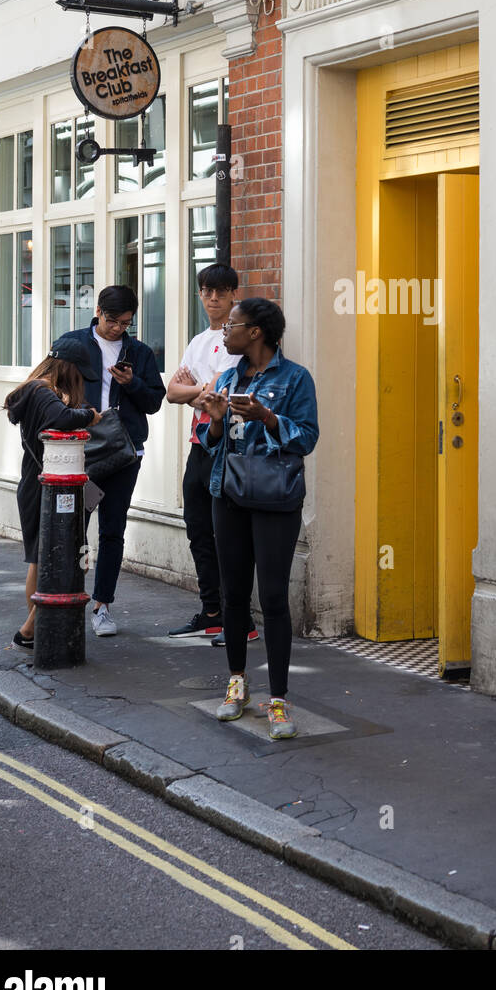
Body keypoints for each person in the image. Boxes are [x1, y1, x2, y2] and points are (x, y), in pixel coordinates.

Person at [196, 299, 318, 739]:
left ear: (256, 333)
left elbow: (306, 438)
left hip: (275, 500)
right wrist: (213, 421)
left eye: (232, 325)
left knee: (273, 598)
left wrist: (267, 417)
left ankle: (279, 699)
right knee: (232, 595)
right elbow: (211, 442)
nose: (223, 331)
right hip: (227, 496)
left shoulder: (295, 378)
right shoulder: (228, 378)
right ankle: (236, 682)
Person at [58, 285, 165, 637]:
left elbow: (153, 402)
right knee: (75, 525)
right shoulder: (73, 344)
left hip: (124, 452)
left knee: (113, 528)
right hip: (82, 452)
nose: (120, 328)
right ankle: (68, 597)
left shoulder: (139, 352)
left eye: (127, 323)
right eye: (115, 321)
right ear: (99, 311)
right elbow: (51, 389)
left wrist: (132, 384)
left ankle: (103, 605)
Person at [165, 263, 257, 646]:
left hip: (229, 448)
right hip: (198, 446)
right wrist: (198, 390)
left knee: (228, 535)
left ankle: (243, 621)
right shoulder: (198, 341)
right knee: (198, 529)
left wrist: (198, 389)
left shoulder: (236, 339)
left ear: (234, 293)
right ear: (200, 295)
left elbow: (220, 393)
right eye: (207, 291)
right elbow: (171, 392)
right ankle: (212, 613)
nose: (214, 298)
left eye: (221, 291)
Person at [3, 340, 101, 648]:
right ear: (68, 368)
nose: (81, 381)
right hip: (42, 485)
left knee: (38, 558)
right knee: (45, 557)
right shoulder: (41, 391)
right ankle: (31, 629)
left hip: (34, 483)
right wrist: (91, 417)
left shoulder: (34, 390)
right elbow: (64, 419)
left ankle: (37, 629)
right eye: (79, 374)